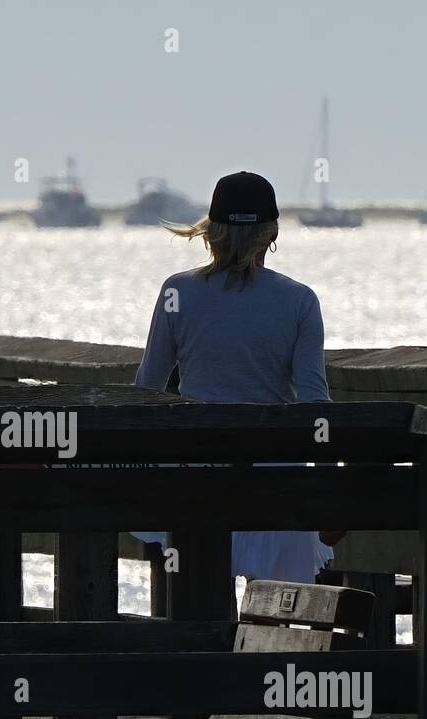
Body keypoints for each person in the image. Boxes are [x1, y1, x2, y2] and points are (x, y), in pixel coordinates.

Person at [132, 171, 337, 591]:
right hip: (277, 489)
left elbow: (147, 392)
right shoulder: (299, 300)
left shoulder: (178, 292)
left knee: (202, 623)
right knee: (270, 629)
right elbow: (314, 403)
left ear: (210, 232)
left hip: (199, 486)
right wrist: (331, 492)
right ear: (271, 234)